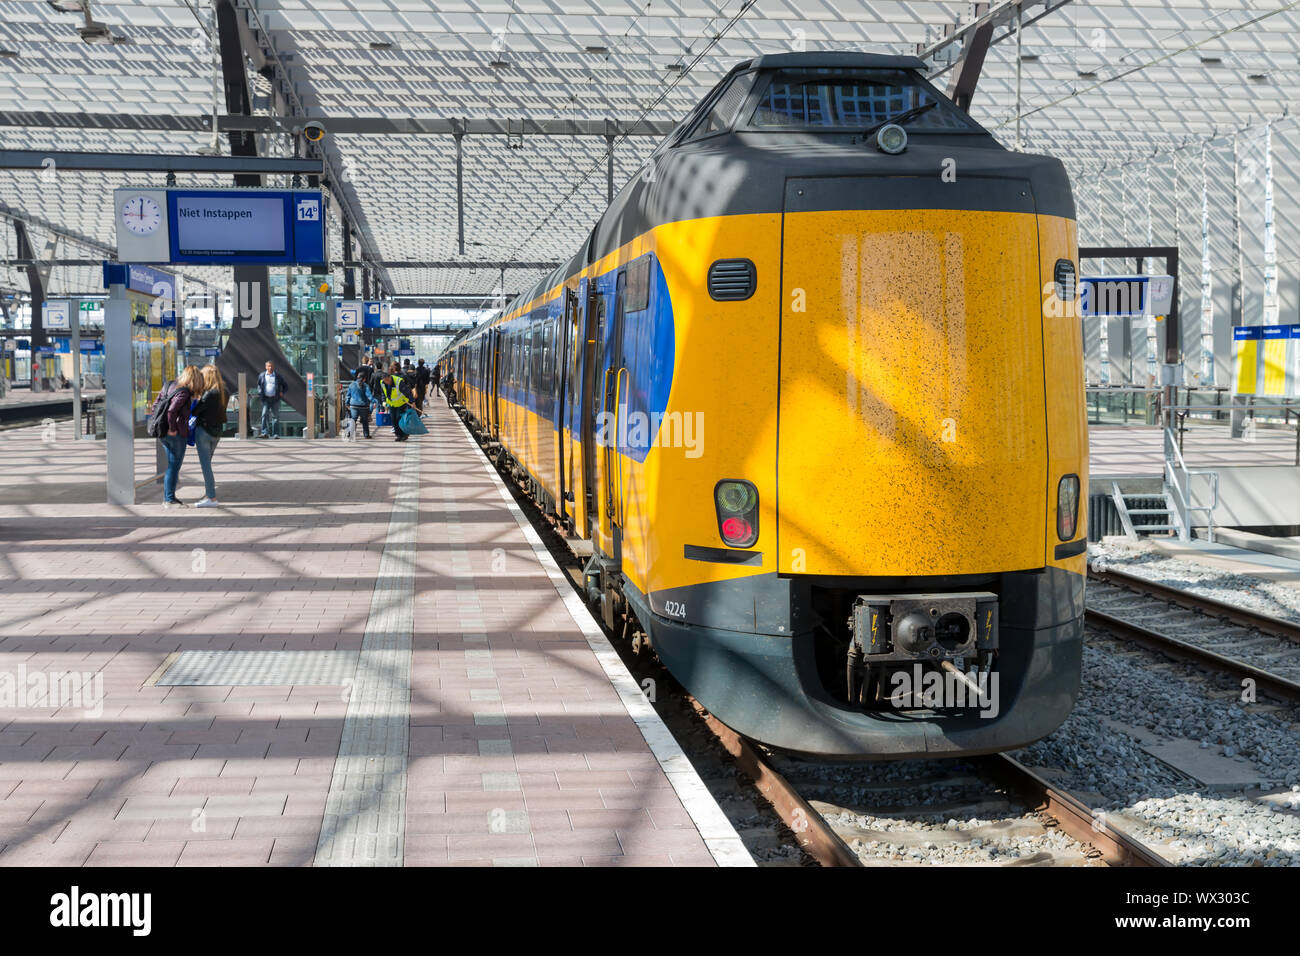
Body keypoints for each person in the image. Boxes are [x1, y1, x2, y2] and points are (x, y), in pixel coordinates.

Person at [155, 365, 203, 508]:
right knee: (174, 466)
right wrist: (172, 428)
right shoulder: (184, 392)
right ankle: (169, 499)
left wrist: (163, 425)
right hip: (175, 433)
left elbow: (156, 404)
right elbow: (171, 411)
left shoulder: (169, 385)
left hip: (162, 432)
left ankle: (169, 497)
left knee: (172, 465)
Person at [192, 364, 229, 507]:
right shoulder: (224, 391)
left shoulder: (209, 394)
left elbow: (196, 412)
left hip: (204, 432)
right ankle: (209, 494)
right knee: (208, 463)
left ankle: (211, 497)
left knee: (206, 466)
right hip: (217, 432)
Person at [376, 369, 415, 442]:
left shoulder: (398, 382)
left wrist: (412, 401)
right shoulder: (382, 383)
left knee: (398, 418)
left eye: (388, 380)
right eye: (385, 381)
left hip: (401, 403)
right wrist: (384, 401)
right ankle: (398, 435)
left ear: (390, 377)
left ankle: (403, 434)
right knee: (393, 420)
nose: (387, 382)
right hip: (392, 404)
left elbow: (407, 392)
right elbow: (383, 393)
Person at [257, 360, 287, 438]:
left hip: (275, 399)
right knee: (264, 415)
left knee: (275, 417)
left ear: (273, 367)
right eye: (268, 366)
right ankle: (265, 433)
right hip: (266, 399)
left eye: (271, 366)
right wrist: (260, 392)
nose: (270, 367)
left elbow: (285, 386)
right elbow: (259, 385)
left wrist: (282, 392)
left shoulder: (278, 376)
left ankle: (275, 434)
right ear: (266, 367)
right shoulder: (262, 375)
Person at [345, 368, 374, 439]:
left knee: (353, 419)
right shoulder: (366, 386)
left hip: (353, 405)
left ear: (357, 377)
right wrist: (374, 401)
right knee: (365, 421)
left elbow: (348, 395)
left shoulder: (351, 385)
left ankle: (349, 433)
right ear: (364, 379)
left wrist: (347, 403)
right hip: (364, 406)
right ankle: (366, 435)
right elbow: (369, 395)